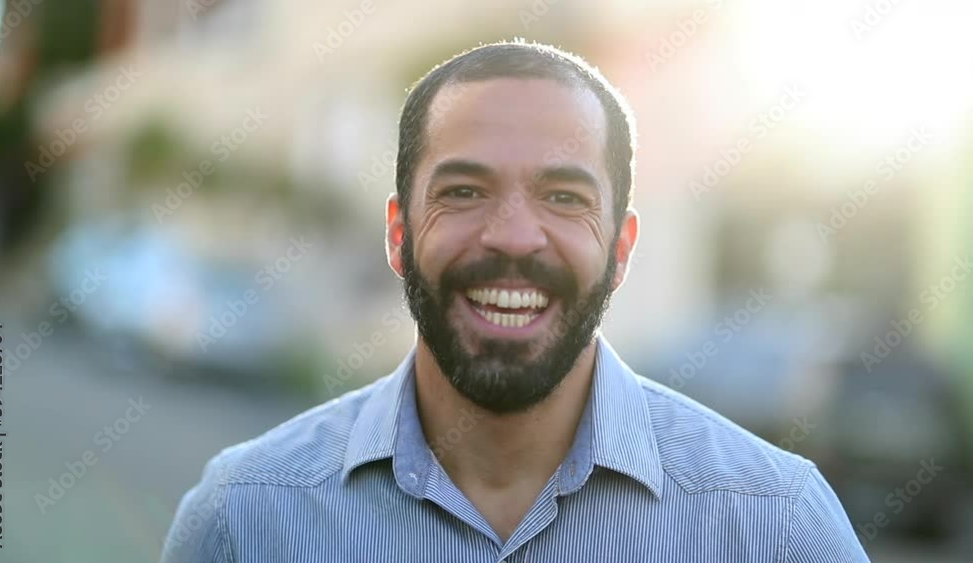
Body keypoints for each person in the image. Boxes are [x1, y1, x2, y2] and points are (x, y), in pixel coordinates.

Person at [162, 40, 869, 562]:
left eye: (563, 198)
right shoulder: (247, 519)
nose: (513, 238)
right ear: (398, 233)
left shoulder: (777, 527)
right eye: (464, 191)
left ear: (621, 247)